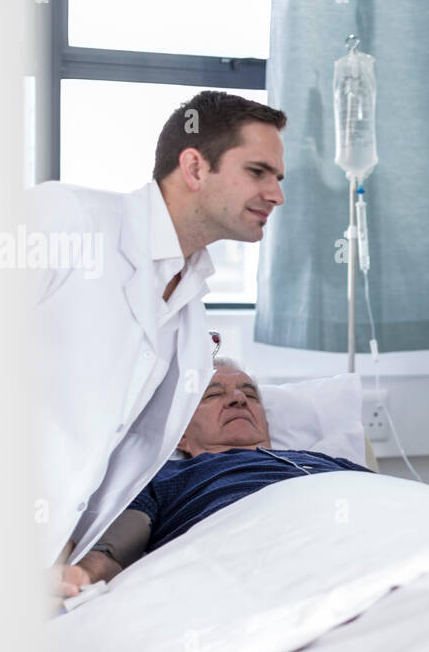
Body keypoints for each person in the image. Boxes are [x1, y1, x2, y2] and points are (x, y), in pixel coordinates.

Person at [31, 91, 288, 575]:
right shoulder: (66, 219)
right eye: (258, 172)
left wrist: (63, 558)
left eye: (278, 177)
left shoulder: (188, 319)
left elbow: (108, 460)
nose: (276, 194)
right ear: (194, 168)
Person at [57, 360, 370, 595]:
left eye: (249, 394)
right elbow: (114, 550)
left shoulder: (330, 462)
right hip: (264, 561)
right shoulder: (165, 477)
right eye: (213, 395)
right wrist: (82, 575)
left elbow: (396, 504)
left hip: (365, 545)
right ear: (180, 436)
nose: (238, 399)